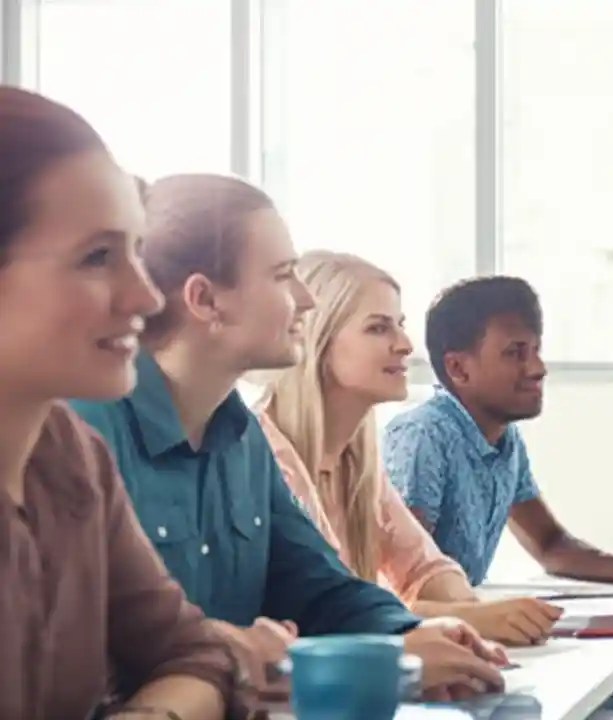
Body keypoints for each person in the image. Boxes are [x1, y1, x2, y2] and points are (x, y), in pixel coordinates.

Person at [70, 173, 505, 701]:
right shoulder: (83, 435)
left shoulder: (242, 438)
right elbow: (93, 645)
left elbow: (314, 583)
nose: (304, 299)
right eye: (282, 276)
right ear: (204, 299)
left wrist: (407, 636)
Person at [0, 87, 240, 720]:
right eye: (98, 257)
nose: (146, 297)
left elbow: (195, 657)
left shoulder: (71, 457)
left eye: (138, 251)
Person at [254, 250, 563, 646]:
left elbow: (423, 568)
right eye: (378, 328)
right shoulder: (265, 455)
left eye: (399, 325)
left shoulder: (358, 460)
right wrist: (473, 618)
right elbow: (332, 609)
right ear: (318, 339)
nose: (404, 344)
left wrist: (476, 611)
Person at [384, 276, 613, 587]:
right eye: (515, 353)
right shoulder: (423, 435)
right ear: (458, 368)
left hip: (461, 618)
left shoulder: (504, 438)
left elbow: (549, 544)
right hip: (426, 627)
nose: (538, 368)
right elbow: (404, 579)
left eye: (536, 350)